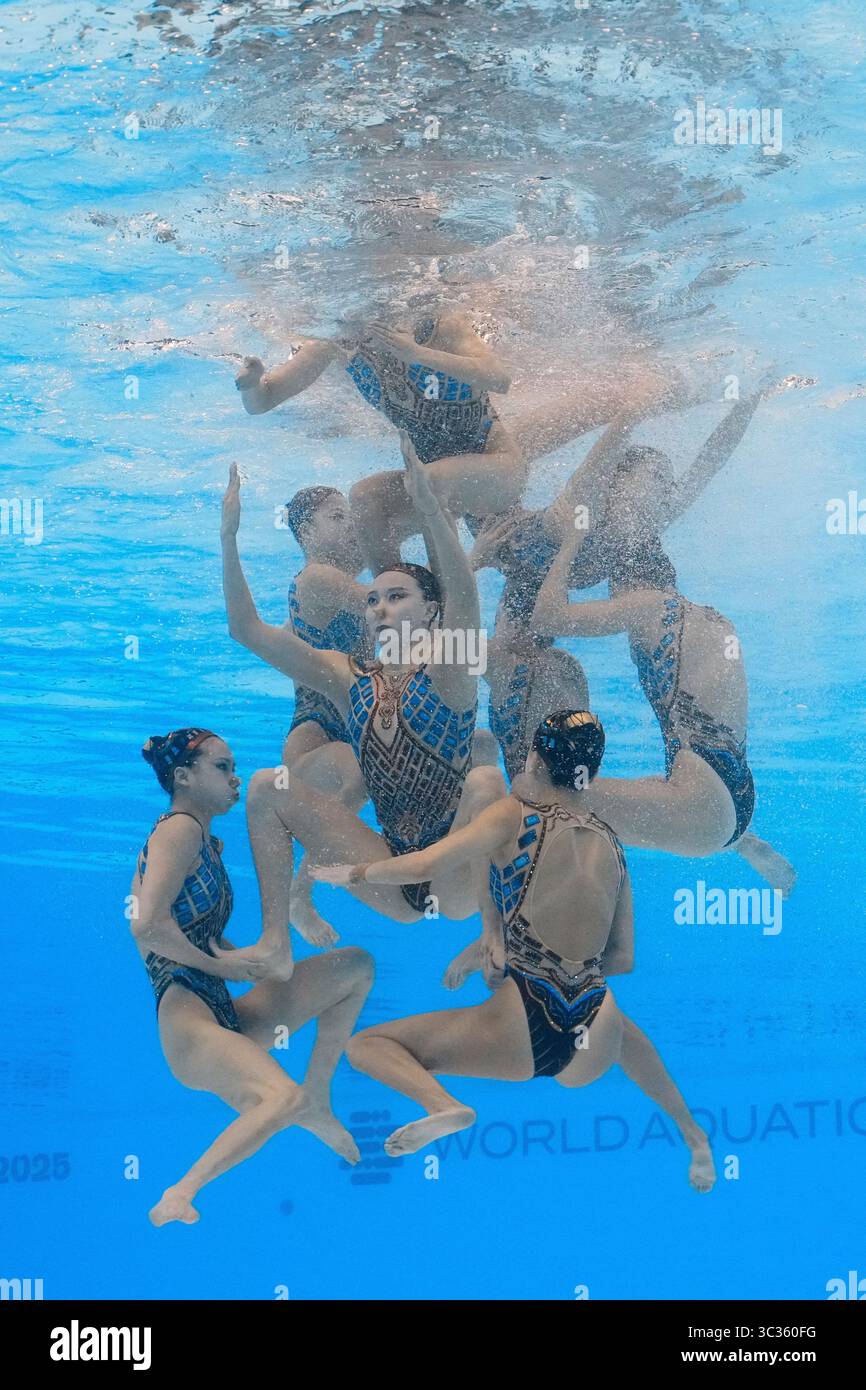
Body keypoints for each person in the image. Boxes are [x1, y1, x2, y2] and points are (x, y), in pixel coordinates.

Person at [312, 712, 715, 1193]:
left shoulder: (512, 815)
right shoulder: (612, 842)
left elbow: (428, 862)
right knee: (624, 1033)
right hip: (594, 1037)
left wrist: (354, 875)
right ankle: (693, 1136)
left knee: (367, 1046)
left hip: (522, 1025)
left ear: (536, 761)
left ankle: (442, 1107)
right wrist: (512, 948)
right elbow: (622, 958)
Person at [221, 434, 505, 939]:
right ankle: (274, 941)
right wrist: (229, 538)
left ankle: (497, 928)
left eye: (396, 597)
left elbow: (464, 594)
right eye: (373, 600)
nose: (379, 608)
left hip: (448, 881)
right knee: (267, 787)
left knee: (486, 779)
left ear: (432, 613)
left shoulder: (449, 670)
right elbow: (248, 631)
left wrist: (433, 510)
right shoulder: (346, 674)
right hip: (389, 877)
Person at [130, 727, 374, 1227]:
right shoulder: (177, 829)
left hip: (223, 1013)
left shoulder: (201, 836)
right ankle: (180, 1192)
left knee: (355, 967)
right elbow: (148, 926)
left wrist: (240, 959)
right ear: (183, 776)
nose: (236, 779)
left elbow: (190, 931)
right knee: (282, 1099)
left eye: (234, 767)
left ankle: (319, 1098)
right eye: (222, 768)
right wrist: (227, 967)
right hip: (190, 1028)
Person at [530, 514, 795, 890]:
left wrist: (572, 541)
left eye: (611, 595)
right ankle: (740, 840)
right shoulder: (716, 619)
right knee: (635, 793)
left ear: (625, 584)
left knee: (550, 797)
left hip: (701, 804)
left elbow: (547, 617)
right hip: (732, 791)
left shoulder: (646, 603)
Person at [236, 309, 524, 572]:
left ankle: (444, 607)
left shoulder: (440, 323)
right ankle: (394, 599)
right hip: (431, 484)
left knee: (428, 483)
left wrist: (417, 354)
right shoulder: (336, 341)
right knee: (365, 496)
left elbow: (500, 379)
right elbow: (263, 401)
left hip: (497, 466)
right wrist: (251, 385)